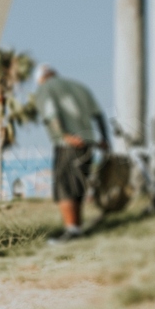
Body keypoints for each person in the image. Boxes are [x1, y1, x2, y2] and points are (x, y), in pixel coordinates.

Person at [33, 64, 108, 241]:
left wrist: (65, 136)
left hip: (69, 144)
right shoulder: (79, 86)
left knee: (64, 187)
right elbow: (98, 114)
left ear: (41, 79)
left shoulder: (45, 89)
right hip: (89, 143)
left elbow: (50, 114)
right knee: (78, 187)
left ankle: (72, 231)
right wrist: (105, 139)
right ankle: (77, 228)